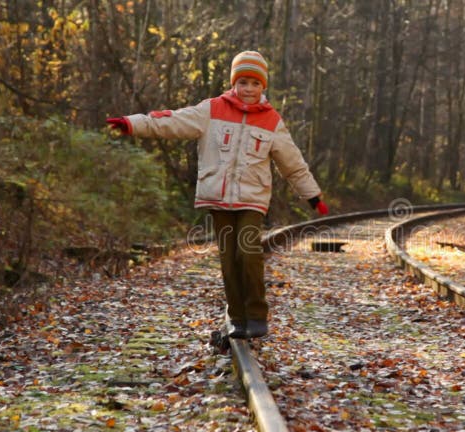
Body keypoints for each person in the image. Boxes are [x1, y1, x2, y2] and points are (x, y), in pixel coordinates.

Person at [106, 50, 328, 339]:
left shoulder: (272, 121)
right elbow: (171, 121)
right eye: (243, 82)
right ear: (234, 83)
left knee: (247, 252)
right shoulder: (211, 110)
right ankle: (237, 317)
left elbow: (292, 162)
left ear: (263, 87)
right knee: (228, 258)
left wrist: (312, 196)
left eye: (255, 84)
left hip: (252, 199)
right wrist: (133, 123)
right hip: (219, 199)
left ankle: (257, 315)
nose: (249, 89)